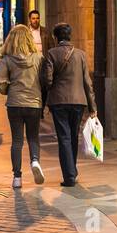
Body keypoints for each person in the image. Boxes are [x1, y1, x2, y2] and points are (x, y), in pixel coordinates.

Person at [42, 23, 96, 187]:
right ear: (69, 36)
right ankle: (72, 171)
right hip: (78, 101)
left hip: (59, 102)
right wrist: (92, 107)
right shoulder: (80, 55)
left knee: (64, 138)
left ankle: (69, 176)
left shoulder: (51, 54)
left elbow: (48, 80)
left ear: (56, 37)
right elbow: (87, 82)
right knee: (73, 137)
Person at [0, 23, 46, 187]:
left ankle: (17, 177)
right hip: (34, 102)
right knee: (33, 137)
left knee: (17, 140)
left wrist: (8, 90)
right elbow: (44, 80)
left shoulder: (8, 59)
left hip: (15, 103)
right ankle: (35, 161)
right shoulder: (39, 58)